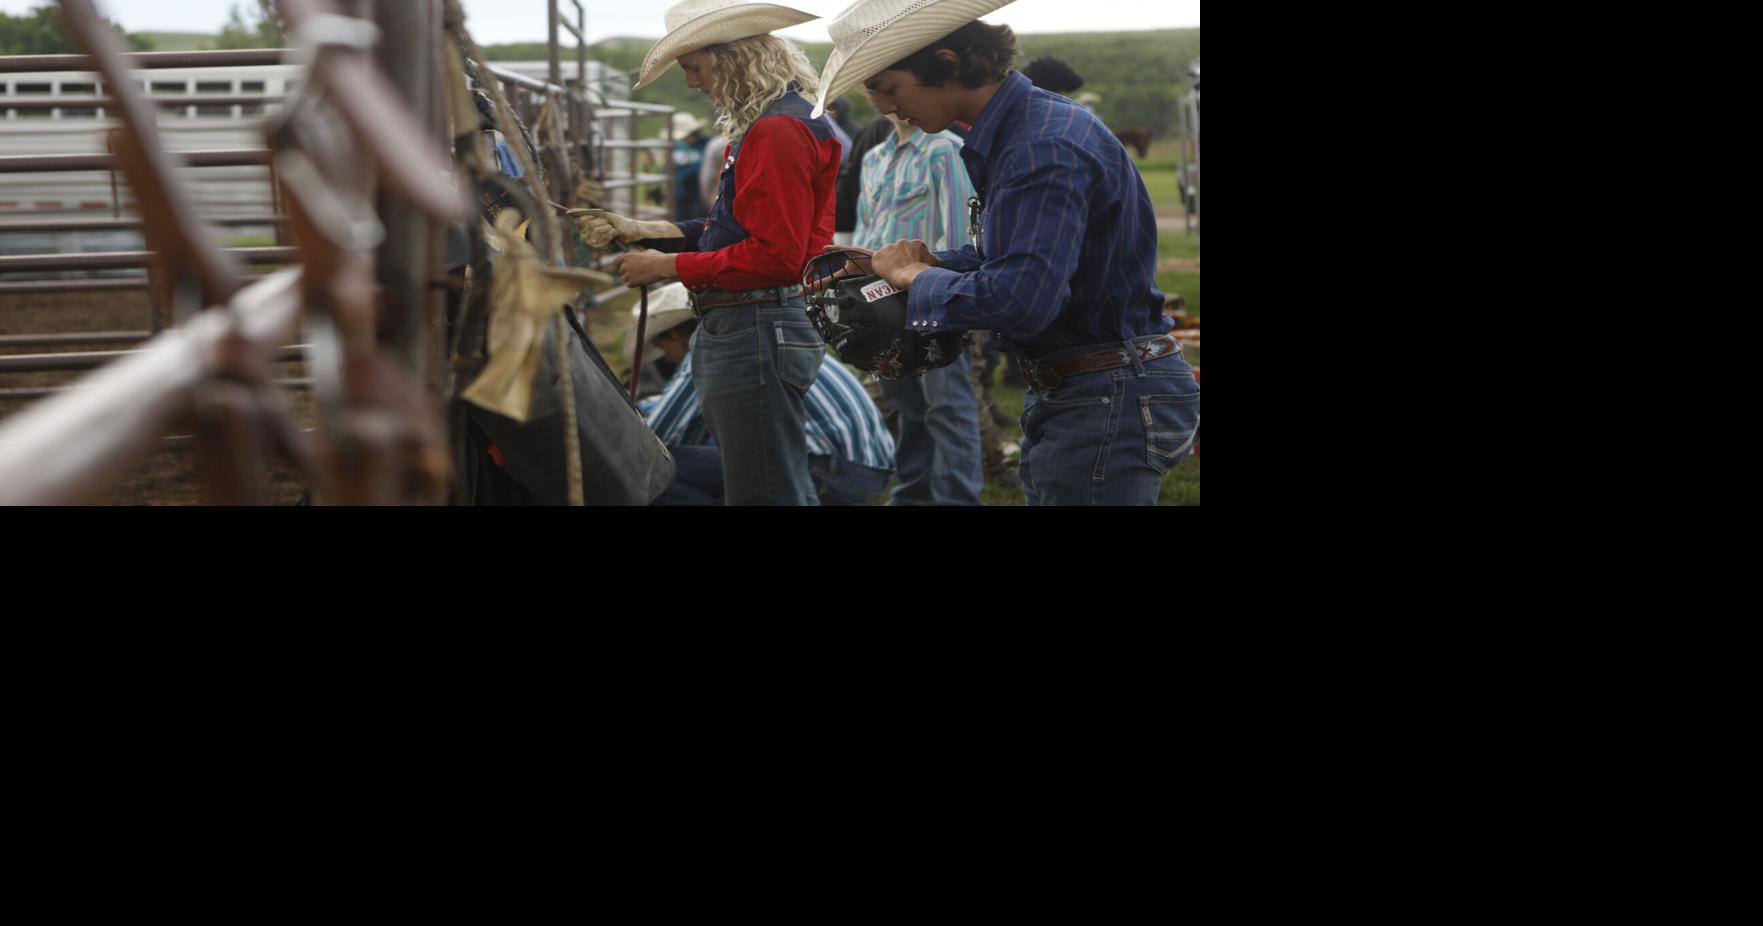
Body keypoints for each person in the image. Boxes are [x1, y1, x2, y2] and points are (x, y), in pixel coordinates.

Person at [814, 0, 1199, 505]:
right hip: (1090, 383)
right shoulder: (1026, 128)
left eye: (889, 88)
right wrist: (930, 263)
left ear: (947, 62)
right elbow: (1021, 259)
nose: (885, 108)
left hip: (1105, 388)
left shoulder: (1037, 144)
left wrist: (914, 278)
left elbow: (1021, 299)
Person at [574, 0, 842, 505]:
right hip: (762, 321)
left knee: (762, 488)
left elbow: (774, 256)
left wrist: (665, 264)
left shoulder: (775, 131)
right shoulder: (777, 123)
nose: (694, 82)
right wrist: (648, 229)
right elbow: (738, 231)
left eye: (694, 67)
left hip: (756, 322)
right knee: (772, 479)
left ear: (732, 56)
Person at [634, 284, 896, 505]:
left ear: (675, 334)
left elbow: (660, 432)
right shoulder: (767, 336)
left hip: (831, 474)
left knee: (650, 466)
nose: (665, 358)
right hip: (870, 471)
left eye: (662, 347)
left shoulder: (713, 351)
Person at [853, 113, 983, 505]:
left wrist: (940, 292)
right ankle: (915, 494)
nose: (885, 99)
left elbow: (960, 233)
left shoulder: (946, 151)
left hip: (929, 300)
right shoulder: (875, 157)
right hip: (884, 305)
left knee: (946, 406)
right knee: (907, 405)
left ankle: (956, 497)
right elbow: (867, 229)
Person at [670, 112, 710, 221]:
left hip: (698, 198)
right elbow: (669, 168)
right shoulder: (678, 147)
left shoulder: (708, 145)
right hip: (678, 198)